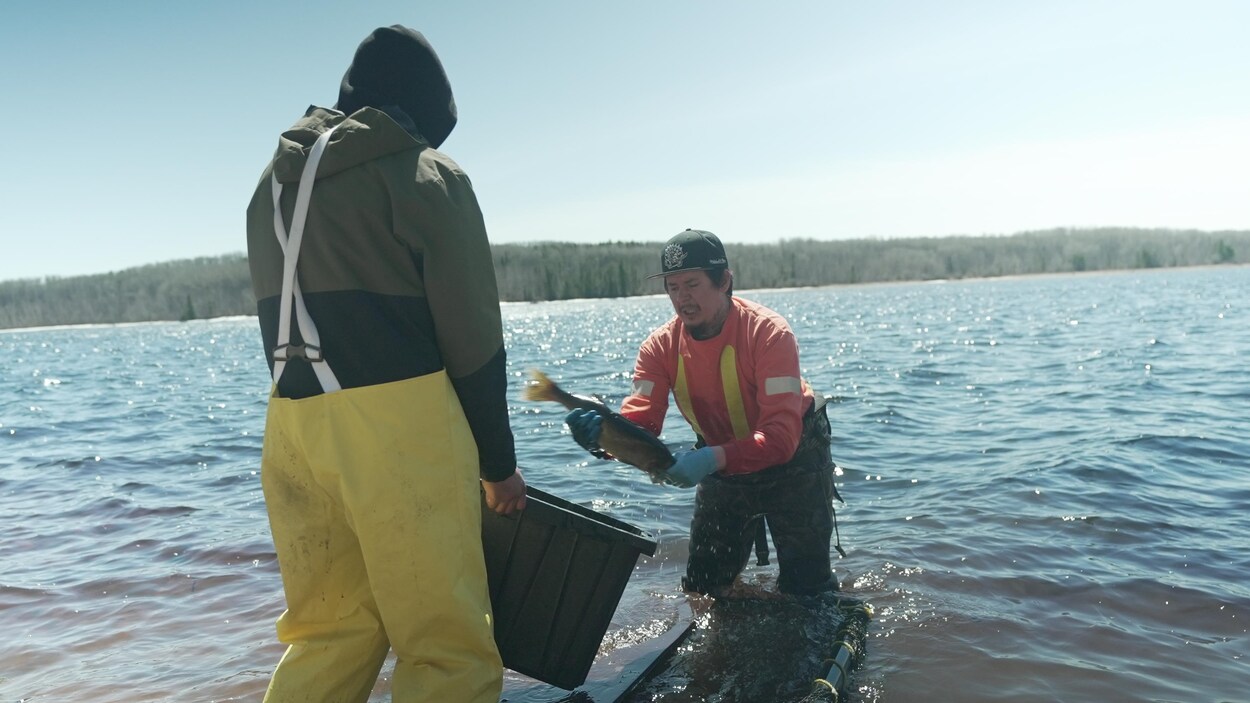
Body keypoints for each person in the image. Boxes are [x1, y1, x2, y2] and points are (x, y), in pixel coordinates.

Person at [244, 25, 525, 703]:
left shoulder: (270, 187)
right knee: (446, 643)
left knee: (328, 633)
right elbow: (474, 338)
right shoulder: (429, 177)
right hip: (401, 433)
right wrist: (498, 462)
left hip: (293, 428)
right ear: (420, 113)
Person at [567, 229, 840, 597]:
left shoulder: (769, 334)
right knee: (704, 588)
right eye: (673, 287)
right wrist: (603, 440)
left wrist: (710, 459)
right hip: (720, 463)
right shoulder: (659, 347)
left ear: (724, 280)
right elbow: (640, 425)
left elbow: (781, 439)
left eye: (692, 284)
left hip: (795, 460)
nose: (683, 298)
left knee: (808, 589)